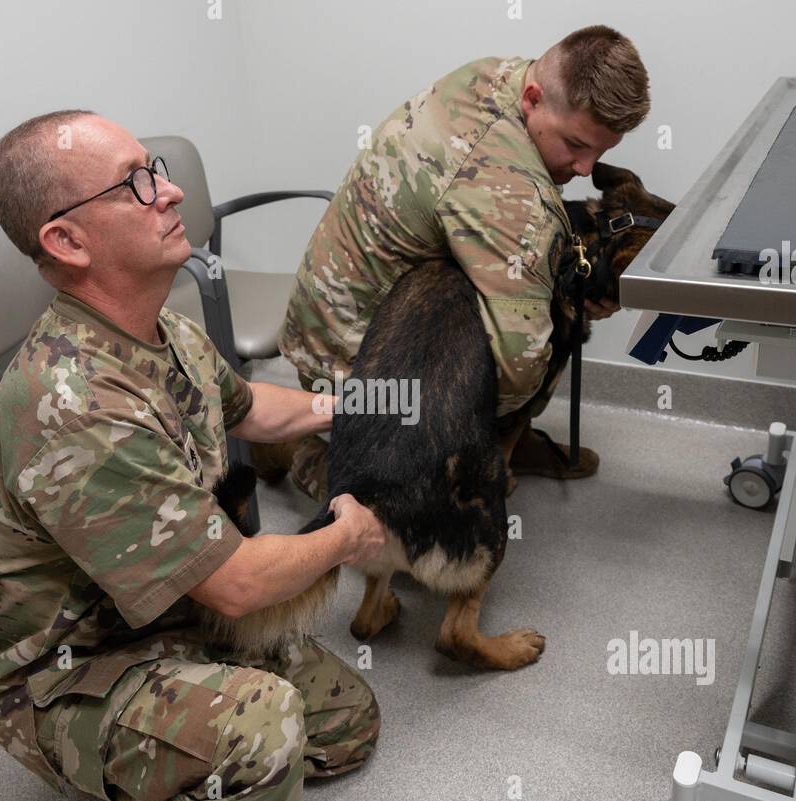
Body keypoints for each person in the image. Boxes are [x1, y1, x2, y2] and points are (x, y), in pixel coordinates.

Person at [0, 110, 385, 801]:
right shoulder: (74, 402)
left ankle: (188, 746)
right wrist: (348, 537)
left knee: (347, 724)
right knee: (264, 730)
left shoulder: (166, 331)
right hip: (73, 666)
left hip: (171, 609)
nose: (171, 193)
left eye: (154, 169)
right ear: (66, 240)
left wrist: (352, 405)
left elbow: (252, 410)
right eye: (134, 183)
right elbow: (241, 583)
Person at [266, 26, 650, 501]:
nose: (586, 169)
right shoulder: (506, 185)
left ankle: (510, 442)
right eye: (574, 145)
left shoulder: (501, 76)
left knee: (542, 303)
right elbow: (517, 370)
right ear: (534, 98)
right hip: (350, 363)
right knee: (413, 511)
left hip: (349, 311)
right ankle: (293, 449)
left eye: (600, 152)